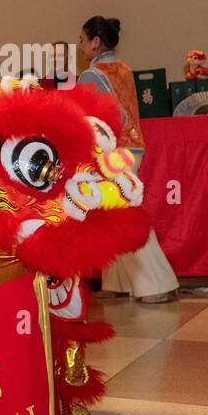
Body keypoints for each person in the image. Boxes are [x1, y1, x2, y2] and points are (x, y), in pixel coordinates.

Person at [76, 15, 179, 304]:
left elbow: (94, 121)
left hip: (112, 152)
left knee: (123, 216)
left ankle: (159, 283)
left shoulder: (91, 76)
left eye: (82, 41)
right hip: (132, 147)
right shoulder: (122, 68)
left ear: (95, 43)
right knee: (111, 214)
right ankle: (118, 280)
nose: (80, 47)